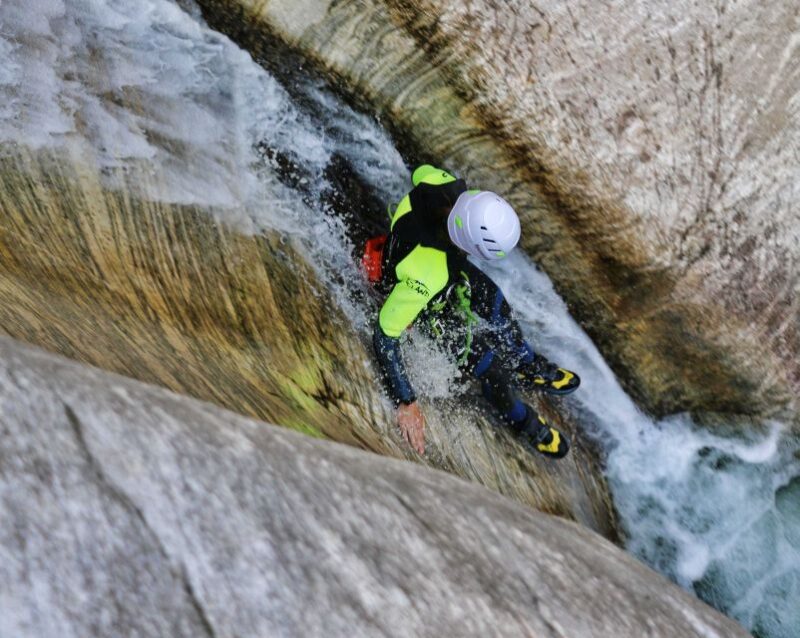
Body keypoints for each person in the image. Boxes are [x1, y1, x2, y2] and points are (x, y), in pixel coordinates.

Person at [368, 164, 580, 457]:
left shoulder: (441, 184)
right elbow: (385, 335)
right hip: (426, 299)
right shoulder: (427, 275)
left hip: (439, 265)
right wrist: (406, 401)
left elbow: (420, 172)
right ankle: (525, 423)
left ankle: (526, 365)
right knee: (493, 371)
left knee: (497, 304)